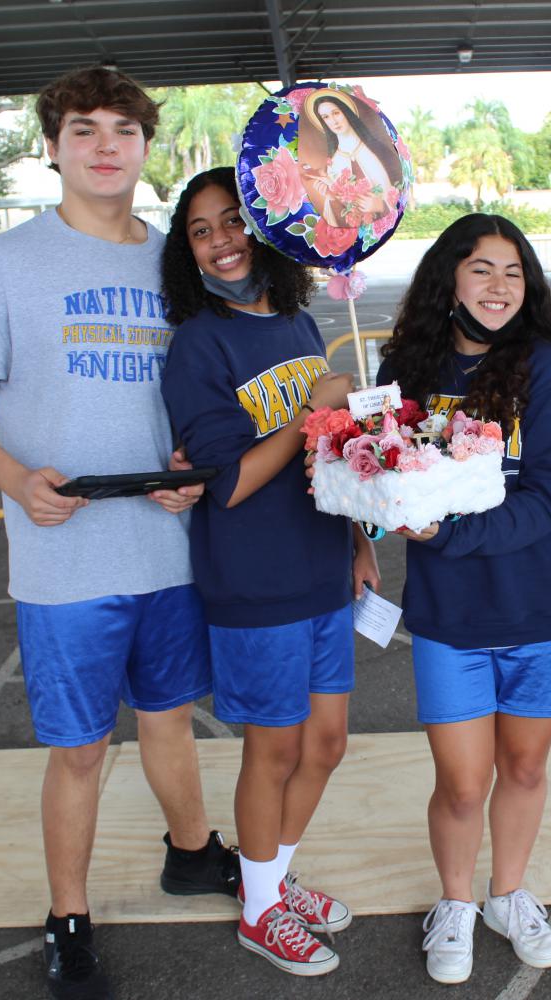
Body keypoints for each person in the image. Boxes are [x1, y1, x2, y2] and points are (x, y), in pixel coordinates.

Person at [0, 67, 239, 1000]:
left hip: (167, 544)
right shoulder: (8, 265)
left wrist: (194, 462)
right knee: (81, 748)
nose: (106, 145)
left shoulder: (179, 266)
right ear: (52, 146)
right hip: (66, 556)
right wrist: (19, 480)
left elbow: (209, 393)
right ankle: (68, 913)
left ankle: (192, 853)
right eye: (84, 128)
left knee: (172, 719)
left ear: (146, 146)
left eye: (124, 130)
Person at [160, 166, 379, 978]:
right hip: (255, 579)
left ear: (267, 227)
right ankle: (260, 912)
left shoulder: (298, 323)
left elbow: (329, 456)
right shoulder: (197, 344)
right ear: (188, 251)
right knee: (275, 751)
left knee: (327, 743)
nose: (221, 242)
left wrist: (359, 538)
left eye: (233, 222)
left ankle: (273, 880)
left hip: (323, 562)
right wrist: (311, 410)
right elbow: (234, 480)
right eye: (201, 230)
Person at [375, 214, 551, 984]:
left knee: (524, 769)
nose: (498, 287)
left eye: (513, 272)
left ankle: (508, 894)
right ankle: (457, 903)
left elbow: (549, 498)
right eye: (480, 270)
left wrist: (444, 534)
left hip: (536, 610)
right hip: (449, 615)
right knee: (463, 781)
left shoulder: (548, 371)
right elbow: (381, 473)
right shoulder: (407, 367)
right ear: (448, 278)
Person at [298, 89, 401, 227]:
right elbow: (338, 220)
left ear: (346, 112)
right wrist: (332, 197)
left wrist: (381, 205)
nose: (333, 121)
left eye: (336, 113)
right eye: (326, 117)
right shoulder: (333, 164)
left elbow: (396, 194)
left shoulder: (378, 150)